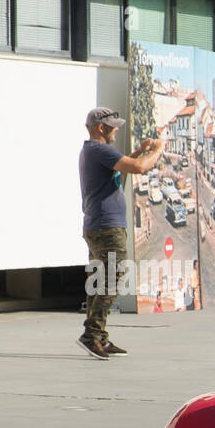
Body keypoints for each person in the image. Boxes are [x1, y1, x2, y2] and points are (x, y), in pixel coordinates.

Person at [78, 106, 162, 358]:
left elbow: (121, 165)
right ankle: (92, 334)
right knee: (113, 278)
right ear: (101, 128)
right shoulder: (99, 150)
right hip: (107, 227)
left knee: (98, 282)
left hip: (97, 225)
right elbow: (138, 168)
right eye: (113, 127)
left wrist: (140, 151)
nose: (116, 130)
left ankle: (99, 337)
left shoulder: (93, 151)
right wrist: (157, 150)